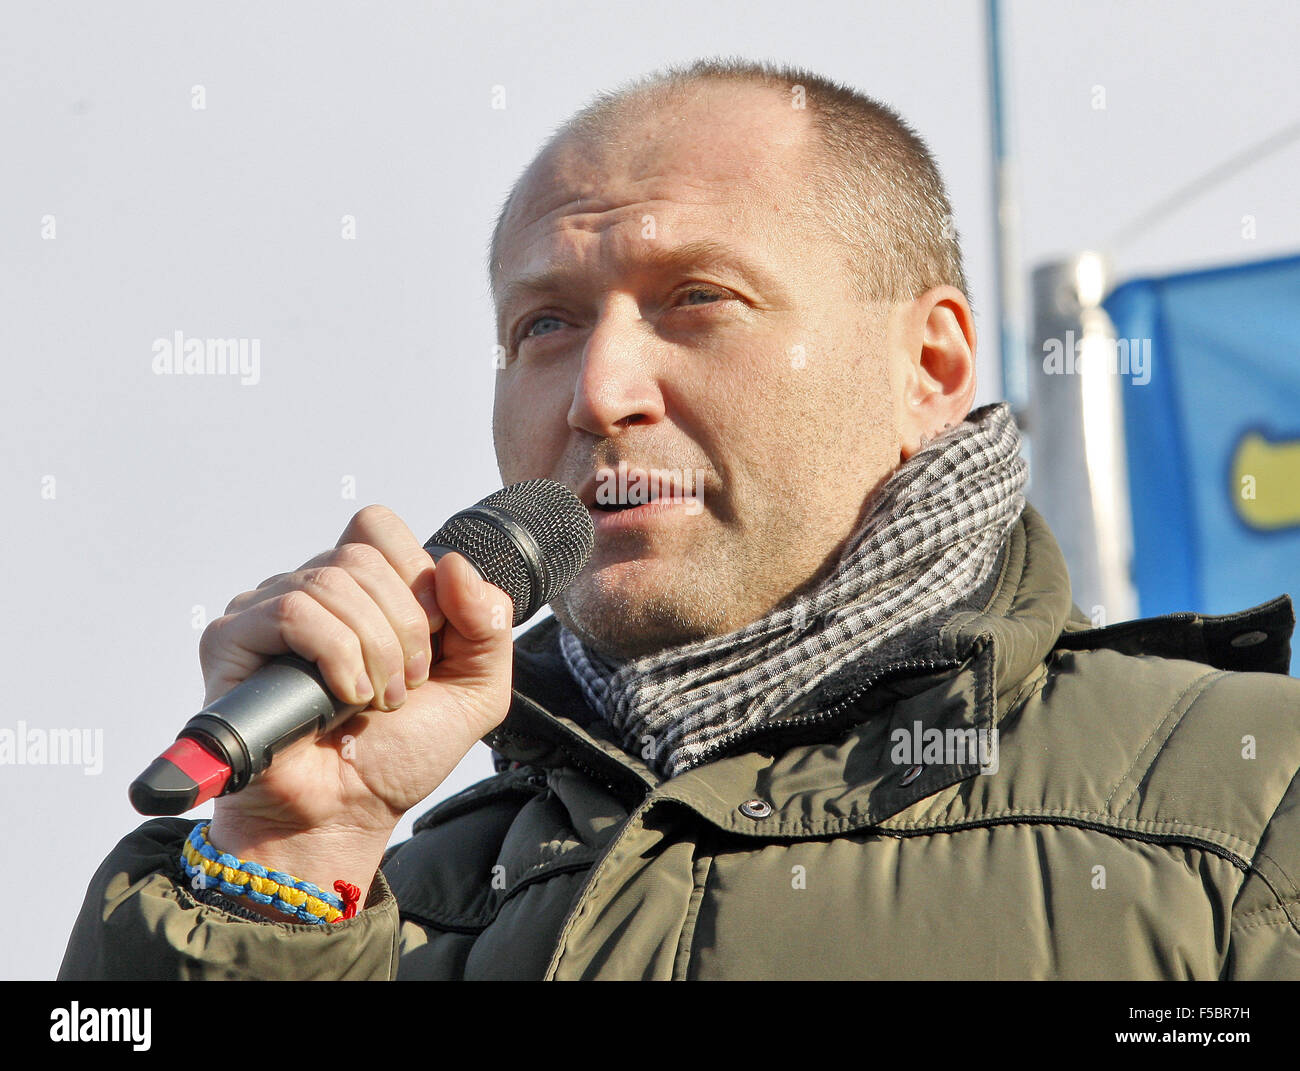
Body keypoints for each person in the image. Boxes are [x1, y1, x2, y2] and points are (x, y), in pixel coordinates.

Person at [61, 58, 1300, 980]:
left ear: (927, 369)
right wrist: (279, 872)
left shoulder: (1250, 806)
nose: (599, 391)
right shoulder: (397, 897)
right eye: (543, 324)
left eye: (697, 298)